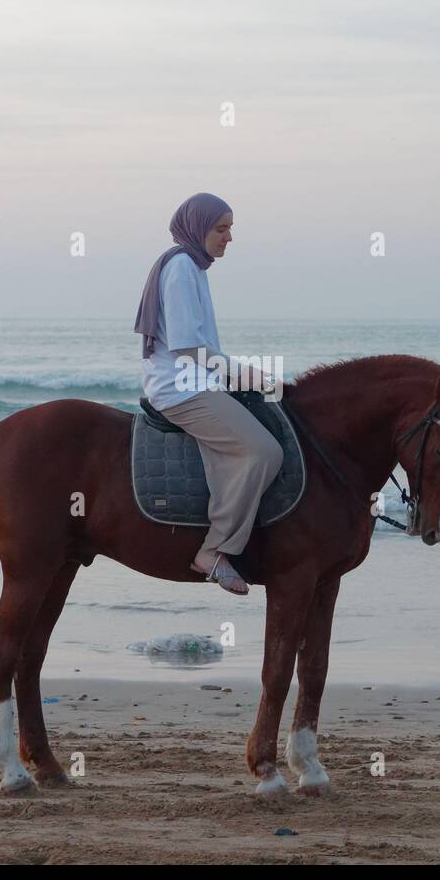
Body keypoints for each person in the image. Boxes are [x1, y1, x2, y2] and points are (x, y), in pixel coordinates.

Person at [133, 193, 282, 596]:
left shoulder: (194, 268)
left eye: (230, 228)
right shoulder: (182, 267)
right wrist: (241, 372)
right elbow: (185, 345)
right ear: (198, 229)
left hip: (196, 382)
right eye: (221, 229)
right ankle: (214, 551)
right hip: (182, 389)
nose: (229, 237)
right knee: (265, 451)